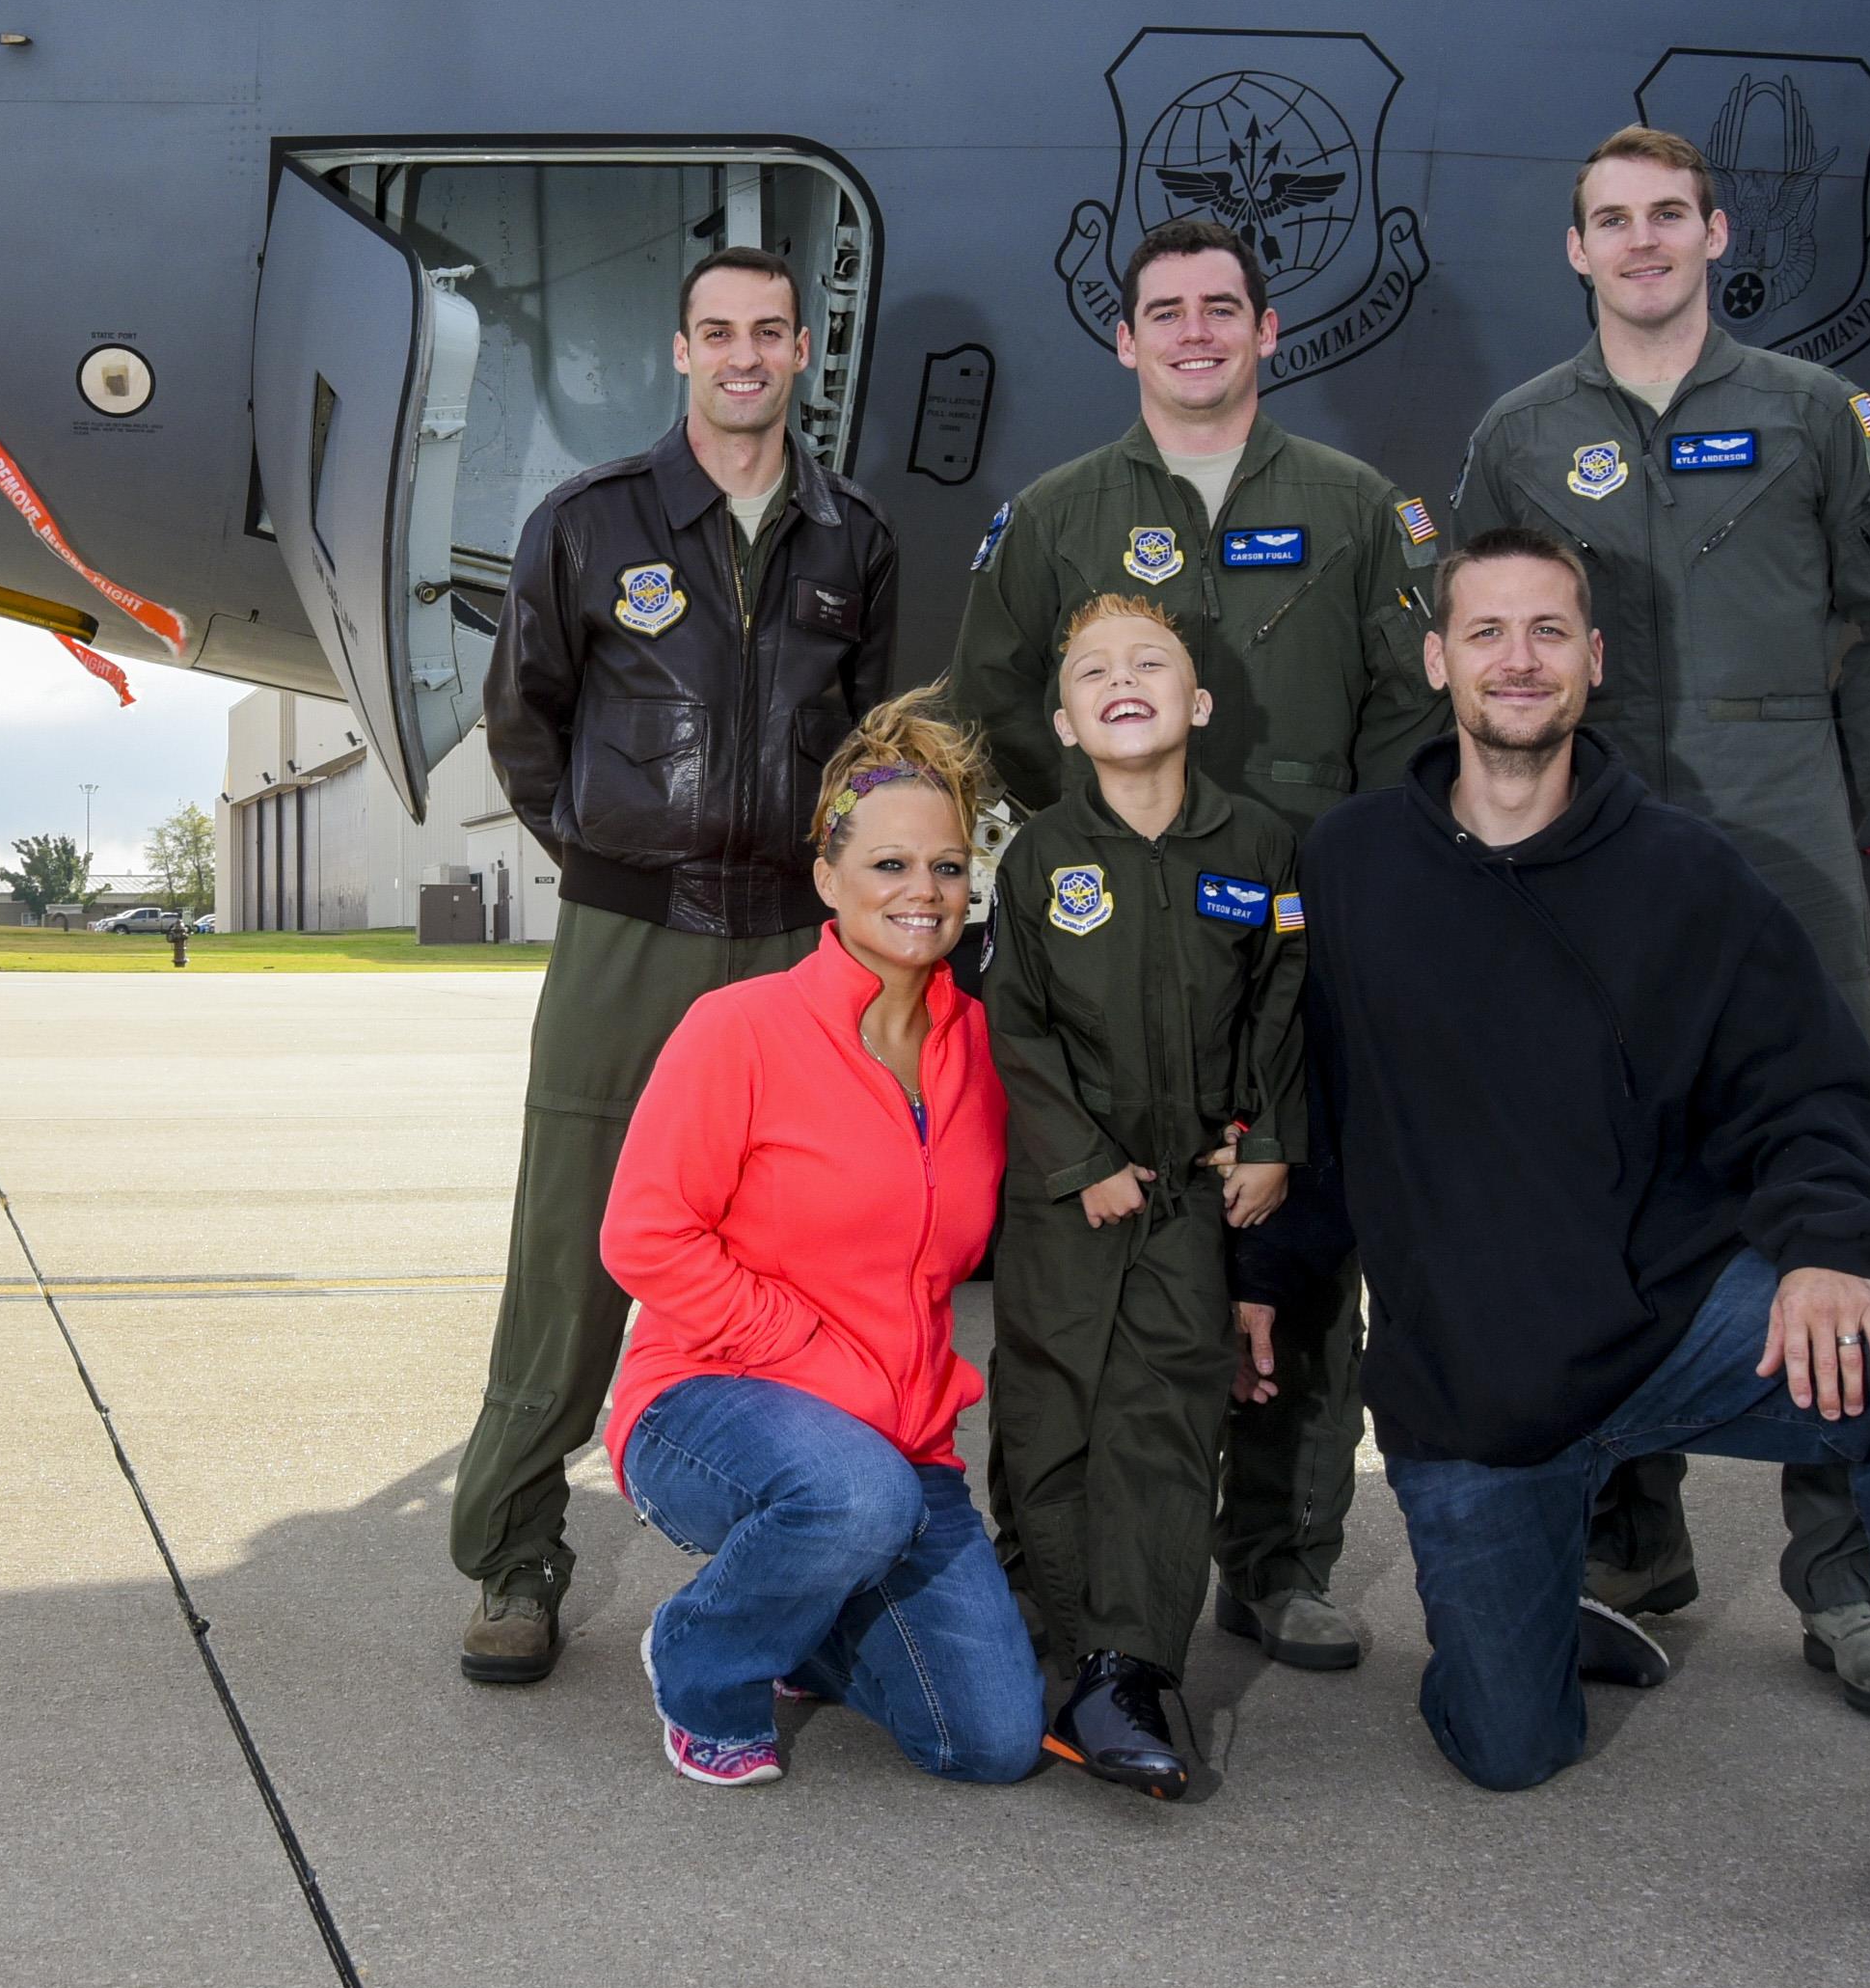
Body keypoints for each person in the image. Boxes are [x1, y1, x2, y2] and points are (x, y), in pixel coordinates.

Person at [1299, 527, 1870, 1971]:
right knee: (1505, 1750)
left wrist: (1831, 1246)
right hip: (1476, 1388)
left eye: (1548, 631)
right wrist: (1254, 1285)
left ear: (1592, 661)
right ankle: (1538, 1617)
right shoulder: (1351, 866)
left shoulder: (1686, 873)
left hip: (1673, 1327)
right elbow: (1302, 1110)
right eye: (1486, 632)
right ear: (1436, 661)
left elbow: (1814, 1088)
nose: (1516, 658)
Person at [1455, 127, 1870, 1708]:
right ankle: (1628, 1534)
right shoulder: (1518, 435)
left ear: (1710, 232)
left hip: (1775, 833)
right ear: (1574, 247)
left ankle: (1844, 1560)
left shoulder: (1808, 413)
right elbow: (1478, 631)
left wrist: (1818, 770)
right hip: (1595, 844)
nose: (1640, 240)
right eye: (1609, 217)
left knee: (1822, 1190)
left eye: (1664, 214)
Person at [951, 212, 1440, 1673]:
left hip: (1301, 943)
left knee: (1296, 1246)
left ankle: (1280, 1557)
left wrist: (1346, 896)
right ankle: (1073, 1556)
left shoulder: (1357, 508)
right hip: (1113, 947)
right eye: (1163, 310)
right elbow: (988, 708)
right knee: (1105, 1260)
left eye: (1220, 306)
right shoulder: (1052, 515)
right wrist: (1095, 871)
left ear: (1265, 328)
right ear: (1124, 338)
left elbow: (1409, 725)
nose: (1193, 332)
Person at [451, 246, 902, 1682]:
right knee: (572, 1246)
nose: (744, 355)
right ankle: (517, 1551)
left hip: (790, 937)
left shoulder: (856, 539)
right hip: (625, 936)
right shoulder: (588, 523)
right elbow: (524, 723)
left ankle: (792, 1553)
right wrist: (614, 856)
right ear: (680, 350)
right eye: (719, 332)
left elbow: (875, 751)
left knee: (793, 1255)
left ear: (801, 352)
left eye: (770, 331)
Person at [598, 690, 1041, 1787]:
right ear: (828, 878)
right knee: (852, 1499)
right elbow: (643, 1238)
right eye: (889, 866)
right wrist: (816, 1354)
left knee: (987, 1742)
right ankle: (703, 1659)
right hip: (710, 1405)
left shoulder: (979, 1047)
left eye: (945, 867)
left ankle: (801, 1616)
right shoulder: (739, 1029)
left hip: (900, 1440)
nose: (923, 893)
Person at [987, 594, 1304, 1796]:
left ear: (1199, 702)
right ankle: (1051, 1628)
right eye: (1091, 674)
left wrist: (1269, 1135)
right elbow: (1014, 1023)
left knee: (1165, 1427)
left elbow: (1285, 993)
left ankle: (1123, 1670)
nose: (1121, 682)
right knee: (1049, 1417)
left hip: (1188, 1200)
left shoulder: (1258, 848)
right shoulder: (1039, 861)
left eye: (1150, 664)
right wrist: (1078, 1159)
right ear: (1065, 722)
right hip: (1065, 1201)